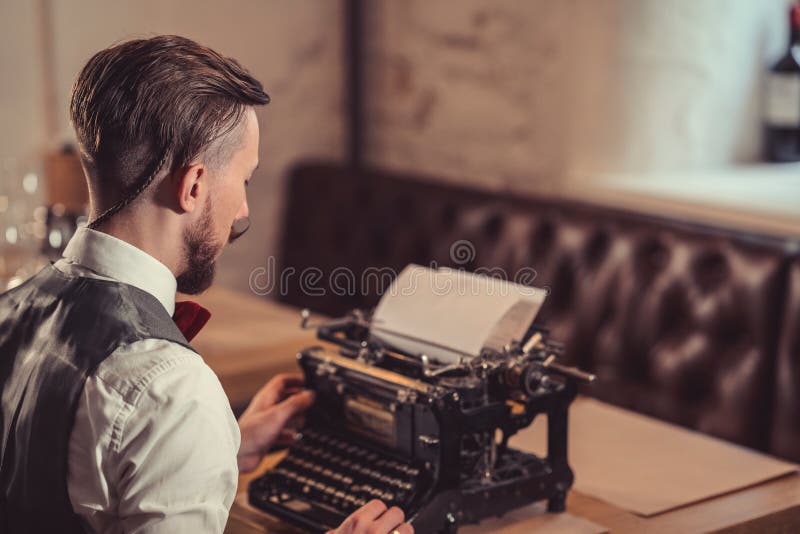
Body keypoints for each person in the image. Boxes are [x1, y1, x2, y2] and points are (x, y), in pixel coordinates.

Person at [0, 35, 412, 534]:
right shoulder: (172, 392)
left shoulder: (10, 308)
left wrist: (218, 449)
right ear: (193, 186)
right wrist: (188, 429)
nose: (243, 211)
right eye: (244, 181)